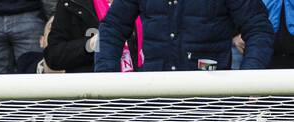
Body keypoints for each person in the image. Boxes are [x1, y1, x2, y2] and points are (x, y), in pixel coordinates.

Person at [95, 0, 273, 71]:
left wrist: (251, 76)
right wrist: (105, 75)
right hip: (155, 103)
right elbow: (111, 27)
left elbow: (259, 28)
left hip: (212, 104)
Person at [44, 0, 141, 73]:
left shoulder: (143, 3)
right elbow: (53, 56)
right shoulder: (72, 3)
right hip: (94, 91)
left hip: (144, 85)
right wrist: (89, 45)